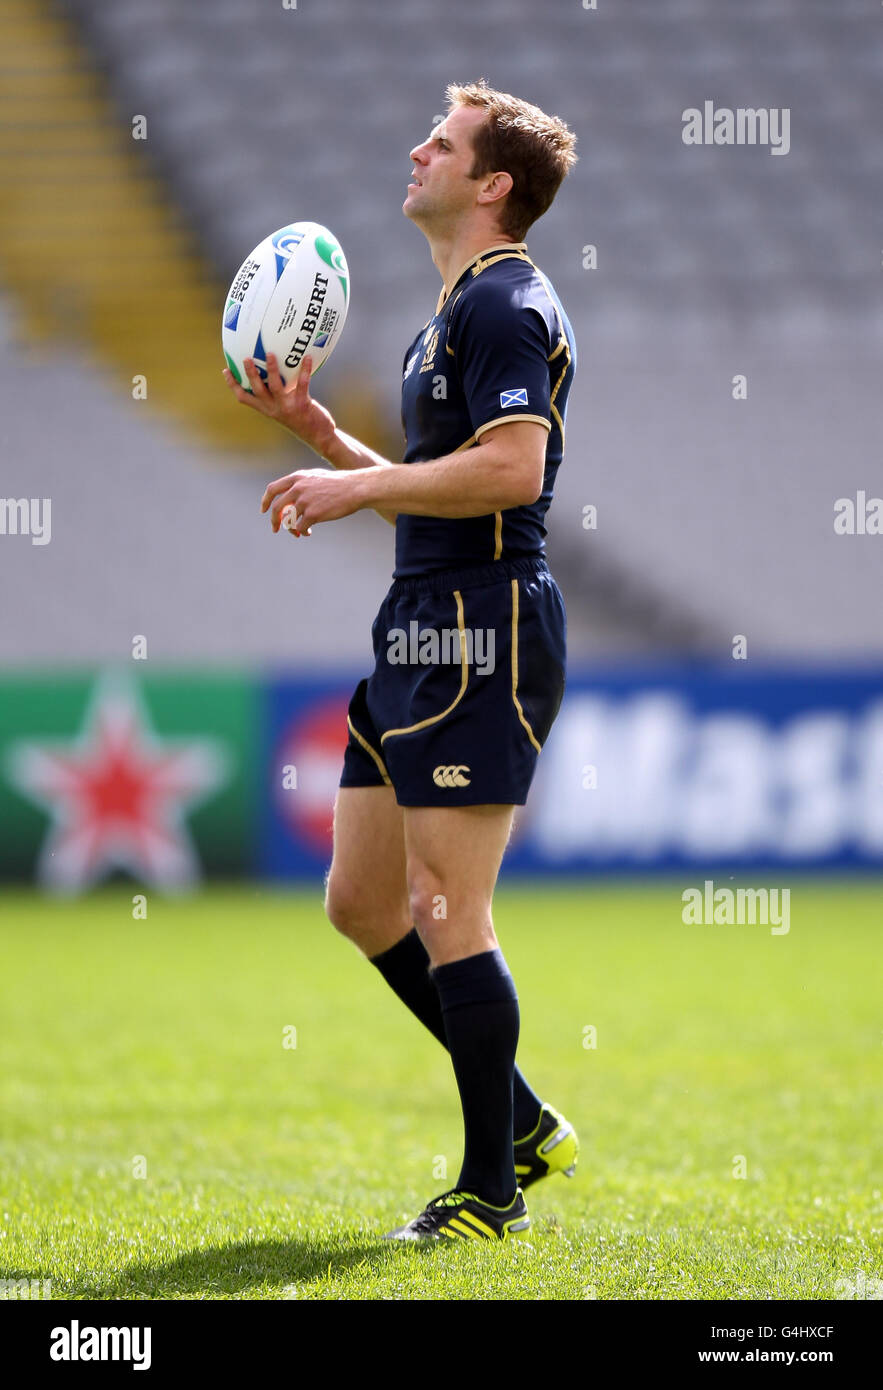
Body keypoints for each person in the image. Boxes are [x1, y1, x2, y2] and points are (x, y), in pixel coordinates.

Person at [224, 79, 578, 1242]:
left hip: (484, 631)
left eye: (443, 141)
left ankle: (492, 1187)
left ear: (491, 185)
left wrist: (357, 482)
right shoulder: (452, 311)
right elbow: (445, 493)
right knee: (364, 901)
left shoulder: (507, 305)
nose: (414, 149)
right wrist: (330, 440)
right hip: (422, 622)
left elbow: (513, 473)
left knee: (443, 905)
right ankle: (518, 1112)